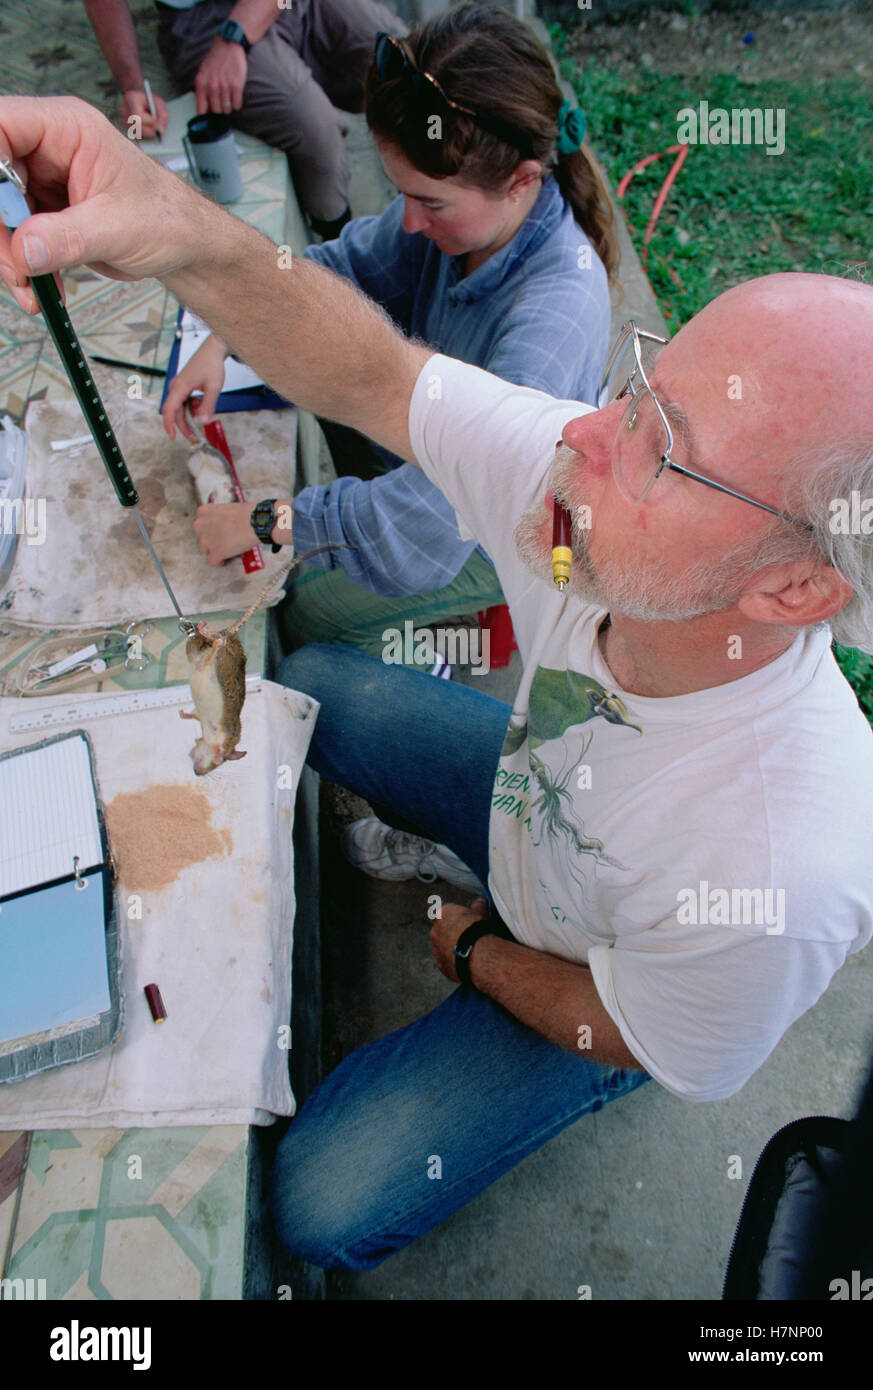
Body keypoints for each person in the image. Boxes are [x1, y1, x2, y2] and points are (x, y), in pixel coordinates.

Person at [2, 94, 872, 1271]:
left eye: (668, 449)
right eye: (640, 381)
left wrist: (469, 951)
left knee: (316, 1201)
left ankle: (546, 1036)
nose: (587, 437)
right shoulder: (591, 492)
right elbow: (373, 373)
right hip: (541, 816)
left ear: (794, 590)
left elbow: (631, 1026)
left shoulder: (781, 863)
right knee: (316, 680)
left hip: (607, 974)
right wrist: (164, 216)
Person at [161, 4, 616, 678]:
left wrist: (262, 521)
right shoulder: (473, 221)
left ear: (521, 179)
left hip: (512, 531)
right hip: (443, 475)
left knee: (309, 610)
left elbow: (427, 521)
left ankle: (415, 666)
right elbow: (337, 267)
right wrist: (225, 334)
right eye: (401, 193)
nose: (405, 223)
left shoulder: (553, 319)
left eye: (429, 204)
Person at [82, 0, 406, 238]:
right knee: (315, 128)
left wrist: (235, 36)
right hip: (199, 17)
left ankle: (430, 204)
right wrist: (132, 85)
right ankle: (339, 246)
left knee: (406, 59)